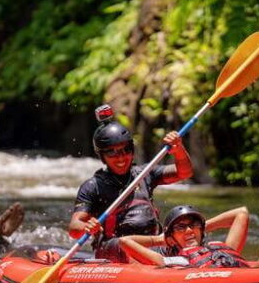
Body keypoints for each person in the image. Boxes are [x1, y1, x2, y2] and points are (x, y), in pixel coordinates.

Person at [68, 104, 194, 261]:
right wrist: (86, 227)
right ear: (102, 156)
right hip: (114, 248)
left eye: (125, 149)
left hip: (152, 244)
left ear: (132, 150)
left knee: (187, 221)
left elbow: (185, 172)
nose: (120, 157)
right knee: (123, 244)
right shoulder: (93, 186)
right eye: (112, 152)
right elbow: (74, 228)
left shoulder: (144, 174)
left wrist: (178, 149)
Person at [118, 204, 259, 268]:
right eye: (181, 228)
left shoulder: (220, 247)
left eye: (193, 226)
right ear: (170, 238)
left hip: (243, 272)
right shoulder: (177, 260)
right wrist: (163, 238)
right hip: (225, 281)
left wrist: (197, 229)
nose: (188, 230)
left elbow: (241, 213)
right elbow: (125, 241)